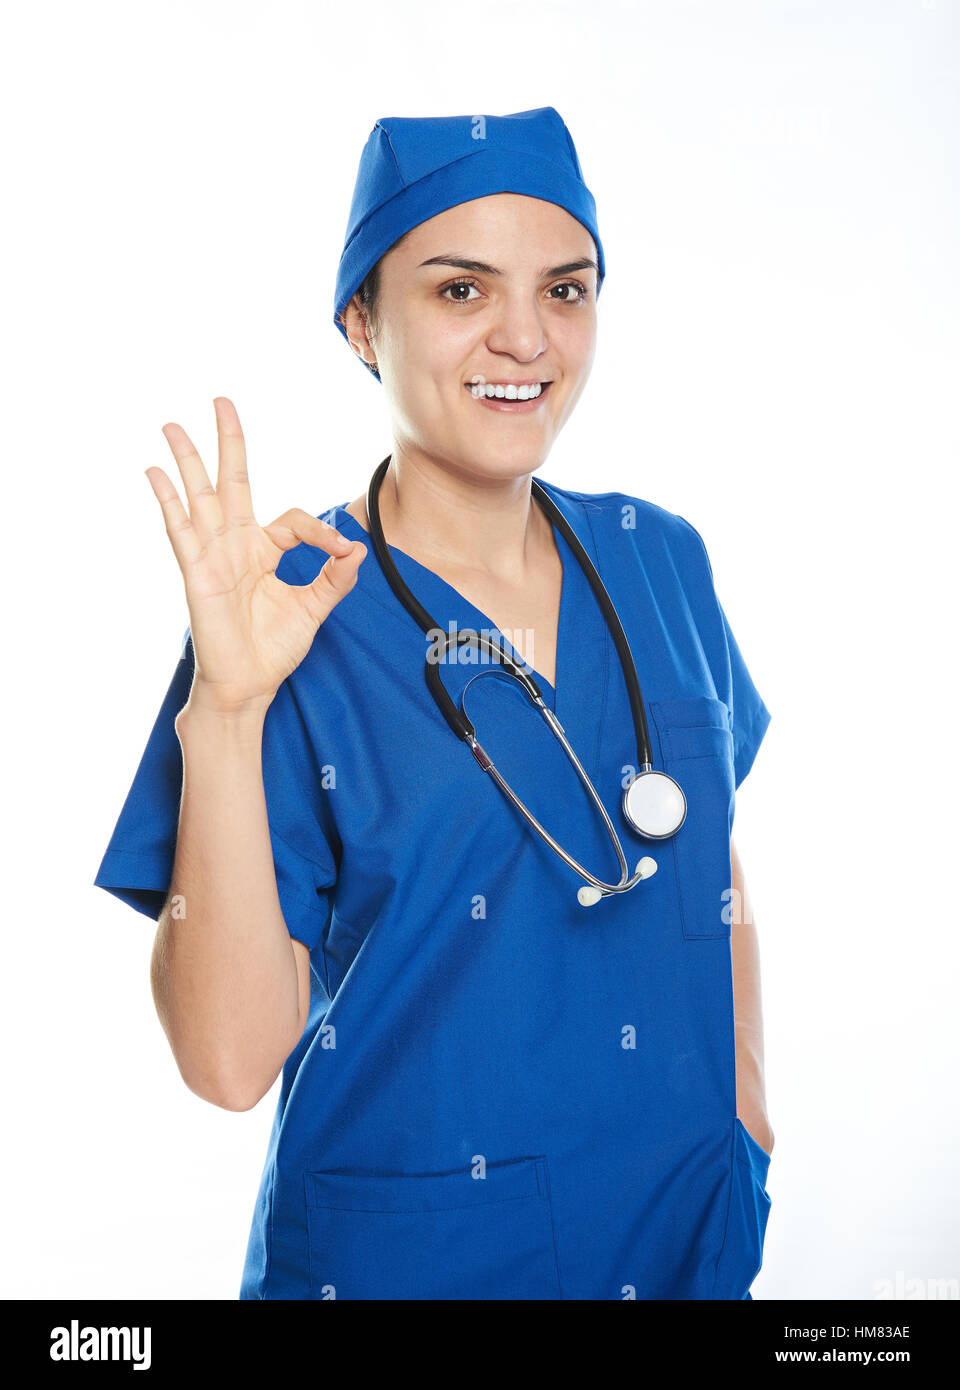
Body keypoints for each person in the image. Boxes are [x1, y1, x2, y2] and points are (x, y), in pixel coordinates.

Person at [94, 106, 774, 1301]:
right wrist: (227, 709)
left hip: (682, 1236)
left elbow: (715, 860)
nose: (526, 338)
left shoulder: (658, 558)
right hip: (413, 1257)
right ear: (362, 321)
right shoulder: (288, 610)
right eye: (462, 292)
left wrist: (746, 1109)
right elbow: (227, 1060)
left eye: (566, 290)